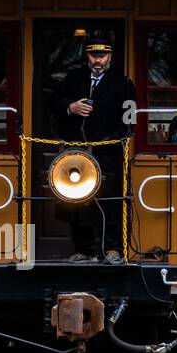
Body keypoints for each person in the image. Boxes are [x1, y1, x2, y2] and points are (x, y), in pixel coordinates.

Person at [53, 34, 136, 263]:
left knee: (110, 201)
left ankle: (112, 249)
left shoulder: (123, 83)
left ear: (110, 56)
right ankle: (83, 249)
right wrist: (70, 107)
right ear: (86, 56)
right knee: (76, 202)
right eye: (93, 55)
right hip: (76, 154)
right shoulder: (73, 78)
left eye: (102, 55)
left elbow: (130, 122)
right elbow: (53, 101)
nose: (98, 60)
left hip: (108, 154)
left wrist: (112, 141)